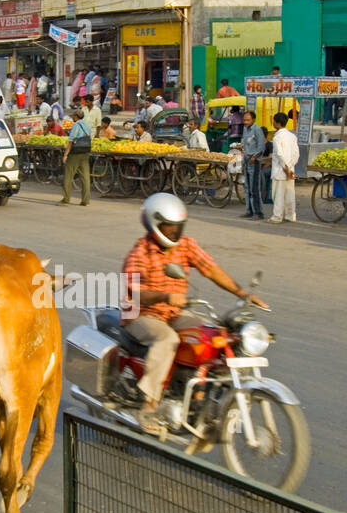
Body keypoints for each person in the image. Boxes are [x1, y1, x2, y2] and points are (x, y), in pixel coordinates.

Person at [122, 194, 267, 434]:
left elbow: (211, 270)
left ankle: (200, 392)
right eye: (169, 226)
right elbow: (135, 293)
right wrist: (165, 296)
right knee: (167, 339)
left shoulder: (186, 245)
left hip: (174, 313)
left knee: (210, 335)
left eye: (178, 226)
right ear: (154, 224)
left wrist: (243, 294)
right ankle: (149, 405)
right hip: (142, 315)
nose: (174, 232)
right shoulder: (140, 252)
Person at [266, 113, 299, 223]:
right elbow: (296, 154)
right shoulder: (292, 136)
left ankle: (277, 216)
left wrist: (286, 168)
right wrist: (290, 166)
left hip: (280, 170)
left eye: (274, 121)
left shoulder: (277, 137)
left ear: (277, 123)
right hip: (290, 169)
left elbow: (280, 154)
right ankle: (290, 215)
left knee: (278, 194)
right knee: (290, 194)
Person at [61, 109, 92, 206]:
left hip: (75, 153)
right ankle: (85, 200)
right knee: (85, 177)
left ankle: (66, 198)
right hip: (85, 152)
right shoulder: (87, 125)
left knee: (68, 175)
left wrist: (66, 154)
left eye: (73, 116)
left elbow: (71, 140)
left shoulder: (75, 125)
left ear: (76, 116)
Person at [240, 110, 267, 219]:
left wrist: (254, 157)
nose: (245, 122)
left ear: (253, 120)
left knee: (254, 188)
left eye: (248, 120)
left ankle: (258, 213)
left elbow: (261, 147)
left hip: (254, 161)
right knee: (247, 187)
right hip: (246, 160)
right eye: (244, 120)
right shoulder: (245, 130)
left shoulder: (257, 130)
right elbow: (244, 145)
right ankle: (249, 211)